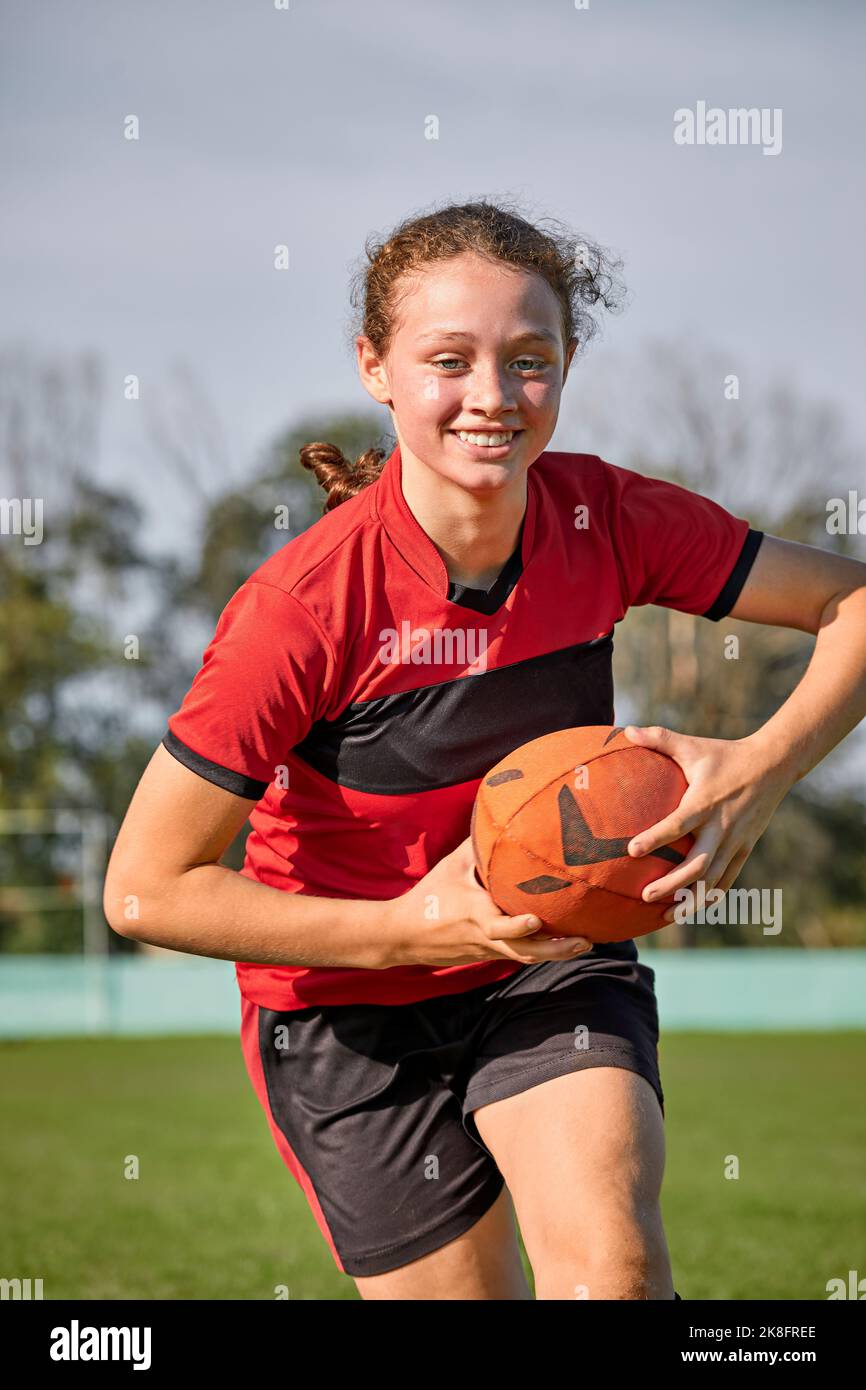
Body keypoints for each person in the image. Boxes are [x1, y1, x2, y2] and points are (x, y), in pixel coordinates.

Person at [104, 198, 866, 1300]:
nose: (492, 397)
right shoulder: (301, 610)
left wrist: (760, 763)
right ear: (374, 366)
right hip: (344, 1005)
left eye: (529, 360)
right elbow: (144, 890)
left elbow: (849, 603)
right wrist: (415, 926)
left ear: (564, 366)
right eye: (447, 359)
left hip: (548, 951)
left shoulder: (605, 518)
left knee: (610, 1266)